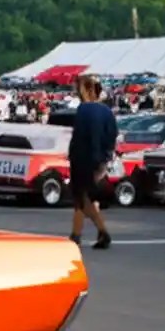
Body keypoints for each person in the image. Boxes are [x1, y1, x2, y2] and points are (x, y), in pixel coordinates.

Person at [68, 75, 116, 248]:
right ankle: (79, 233)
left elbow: (82, 137)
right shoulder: (107, 111)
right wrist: (104, 159)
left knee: (80, 197)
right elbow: (111, 135)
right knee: (84, 198)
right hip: (98, 159)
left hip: (82, 159)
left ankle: (90, 233)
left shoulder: (84, 110)